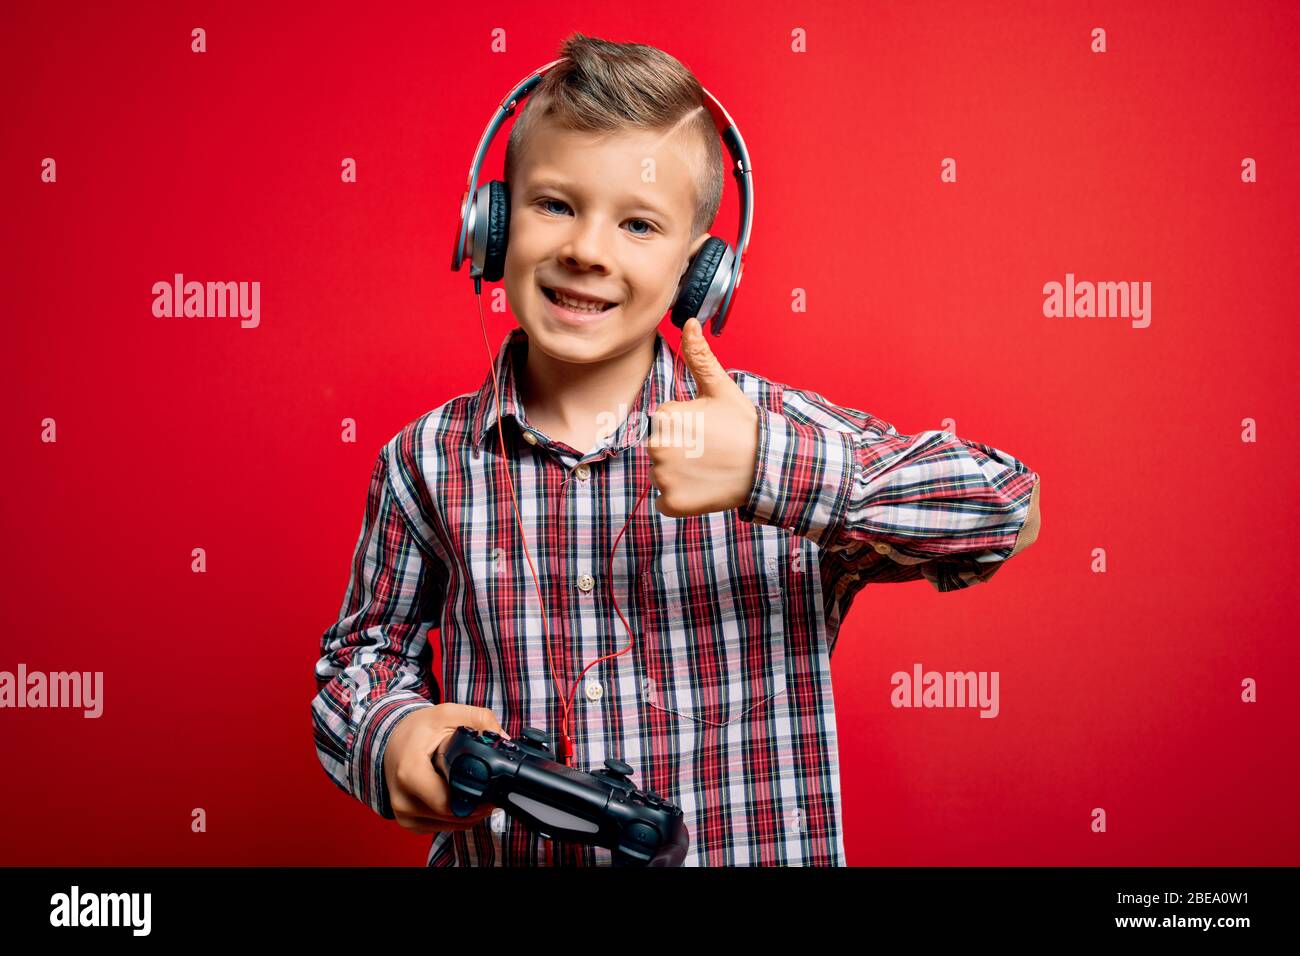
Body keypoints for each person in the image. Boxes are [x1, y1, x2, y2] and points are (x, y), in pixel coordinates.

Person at [311, 33, 1042, 866]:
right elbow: (358, 664)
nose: (587, 250)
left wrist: (772, 470)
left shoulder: (770, 435)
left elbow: (1007, 511)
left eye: (637, 223)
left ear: (702, 274)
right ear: (492, 223)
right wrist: (393, 736)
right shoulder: (425, 463)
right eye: (554, 205)